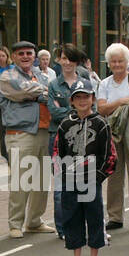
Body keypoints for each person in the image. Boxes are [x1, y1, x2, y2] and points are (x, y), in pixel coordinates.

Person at [54, 78, 116, 256]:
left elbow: (109, 155)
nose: (82, 101)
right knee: (72, 218)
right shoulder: (65, 125)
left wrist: (98, 177)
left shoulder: (101, 124)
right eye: (78, 97)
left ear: (93, 99)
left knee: (94, 217)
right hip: (70, 179)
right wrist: (62, 174)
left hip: (91, 180)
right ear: (71, 101)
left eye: (86, 97)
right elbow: (58, 152)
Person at [0, 40, 54, 238]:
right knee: (22, 180)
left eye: (29, 53)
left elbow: (50, 94)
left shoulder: (41, 75)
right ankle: (15, 224)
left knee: (42, 180)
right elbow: (22, 91)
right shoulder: (7, 76)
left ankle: (35, 221)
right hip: (20, 133)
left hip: (44, 130)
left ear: (34, 56)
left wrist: (36, 93)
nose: (25, 56)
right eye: (21, 54)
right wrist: (41, 93)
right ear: (13, 57)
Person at [97, 43, 129, 233]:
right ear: (108, 63)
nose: (117, 64)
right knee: (114, 175)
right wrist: (122, 102)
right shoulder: (104, 83)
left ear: (128, 62)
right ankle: (115, 217)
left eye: (120, 61)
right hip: (112, 132)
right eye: (113, 61)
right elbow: (101, 109)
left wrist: (116, 107)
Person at [47, 45, 95, 242]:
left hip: (83, 137)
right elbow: (53, 111)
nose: (66, 62)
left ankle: (82, 223)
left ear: (76, 61)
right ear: (58, 60)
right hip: (58, 138)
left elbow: (92, 109)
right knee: (61, 186)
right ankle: (63, 228)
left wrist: (67, 109)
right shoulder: (53, 85)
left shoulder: (85, 81)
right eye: (63, 58)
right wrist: (76, 110)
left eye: (70, 58)